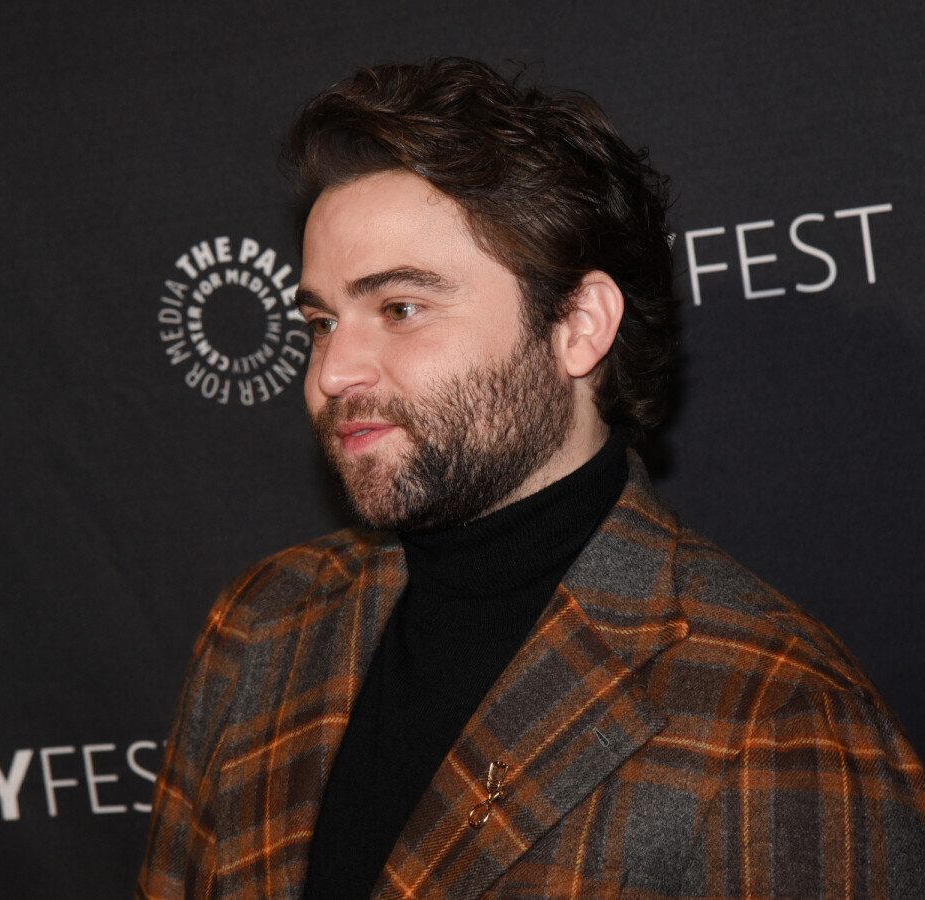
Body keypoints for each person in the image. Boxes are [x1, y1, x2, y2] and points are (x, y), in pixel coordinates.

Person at [137, 57, 925, 899]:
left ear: (579, 327)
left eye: (400, 307)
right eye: (323, 320)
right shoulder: (261, 629)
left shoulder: (774, 720)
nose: (333, 371)